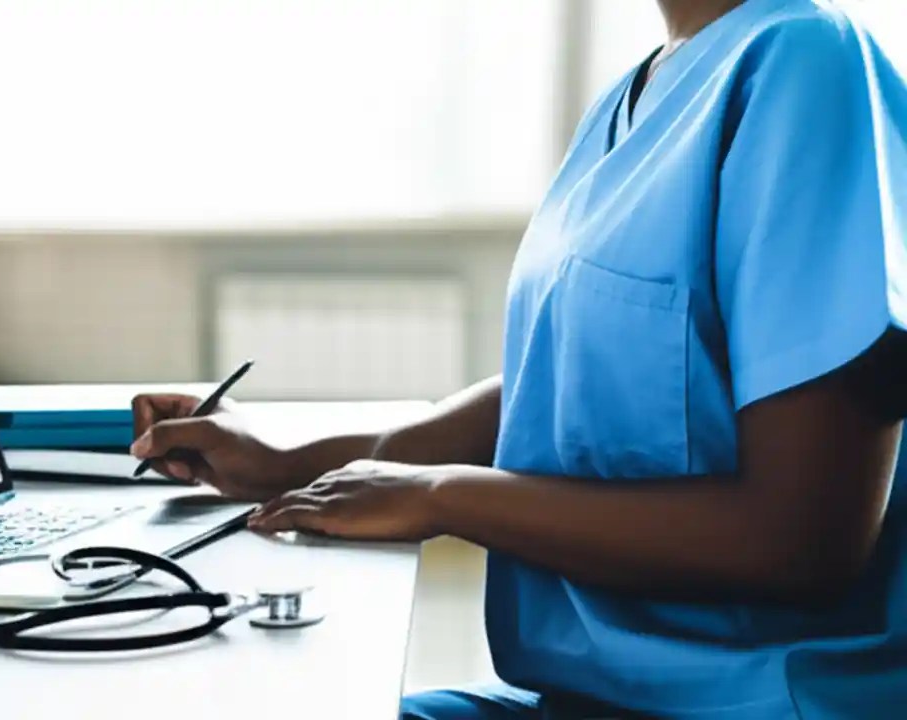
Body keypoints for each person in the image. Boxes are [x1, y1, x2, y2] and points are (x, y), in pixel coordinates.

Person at [129, 0, 907, 717]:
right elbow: (572, 378)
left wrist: (444, 497)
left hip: (746, 701)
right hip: (589, 695)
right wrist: (285, 460)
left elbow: (802, 541)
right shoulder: (634, 95)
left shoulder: (808, 64)